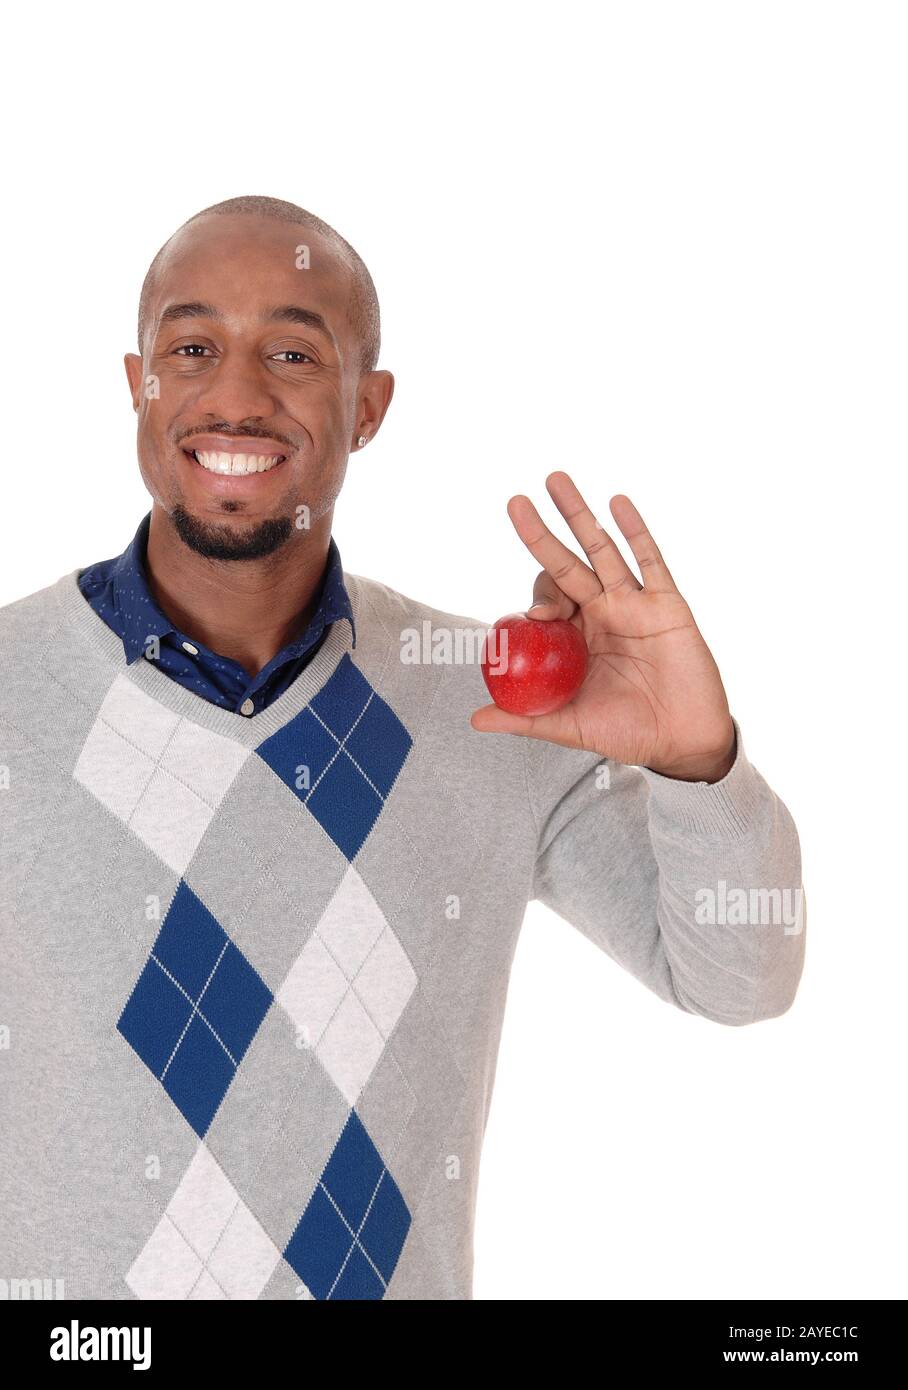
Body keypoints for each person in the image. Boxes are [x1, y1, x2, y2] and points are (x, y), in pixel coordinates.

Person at [0, 195, 805, 1301]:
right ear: (137, 383)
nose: (233, 394)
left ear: (367, 405)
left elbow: (738, 980)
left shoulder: (492, 707)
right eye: (190, 348)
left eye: (290, 351)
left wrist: (695, 761)